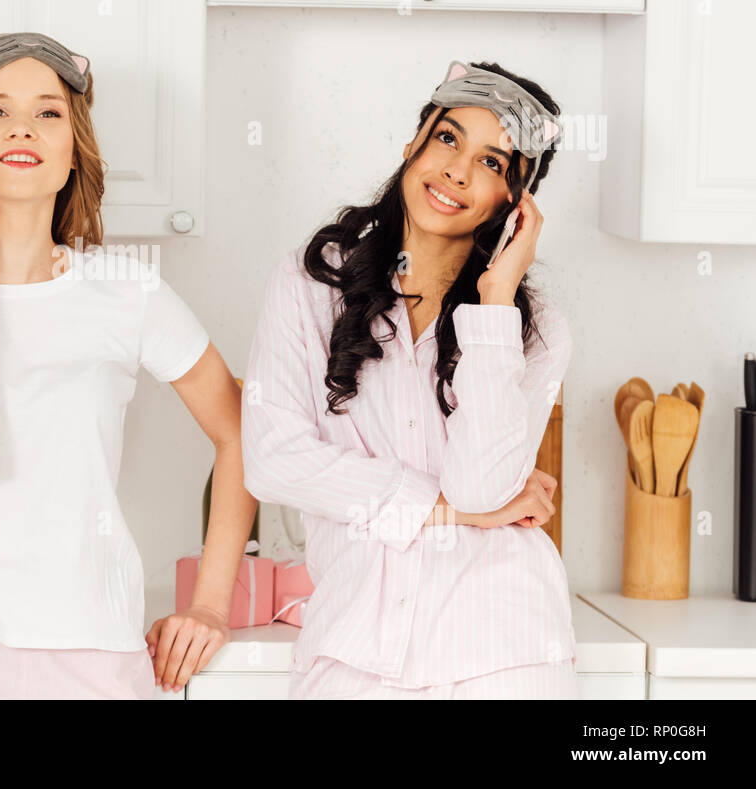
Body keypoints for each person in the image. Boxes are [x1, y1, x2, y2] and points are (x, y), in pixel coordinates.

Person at [0, 32, 256, 698]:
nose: (22, 126)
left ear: (74, 148)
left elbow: (242, 426)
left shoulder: (130, 292)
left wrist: (212, 603)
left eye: (48, 112)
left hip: (92, 650)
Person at [242, 59, 576, 699]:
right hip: (351, 653)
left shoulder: (535, 332)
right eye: (447, 138)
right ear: (413, 143)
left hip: (505, 652)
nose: (456, 170)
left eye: (492, 162)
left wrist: (496, 299)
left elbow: (481, 488)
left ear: (514, 201)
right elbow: (273, 462)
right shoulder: (312, 286)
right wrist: (451, 511)